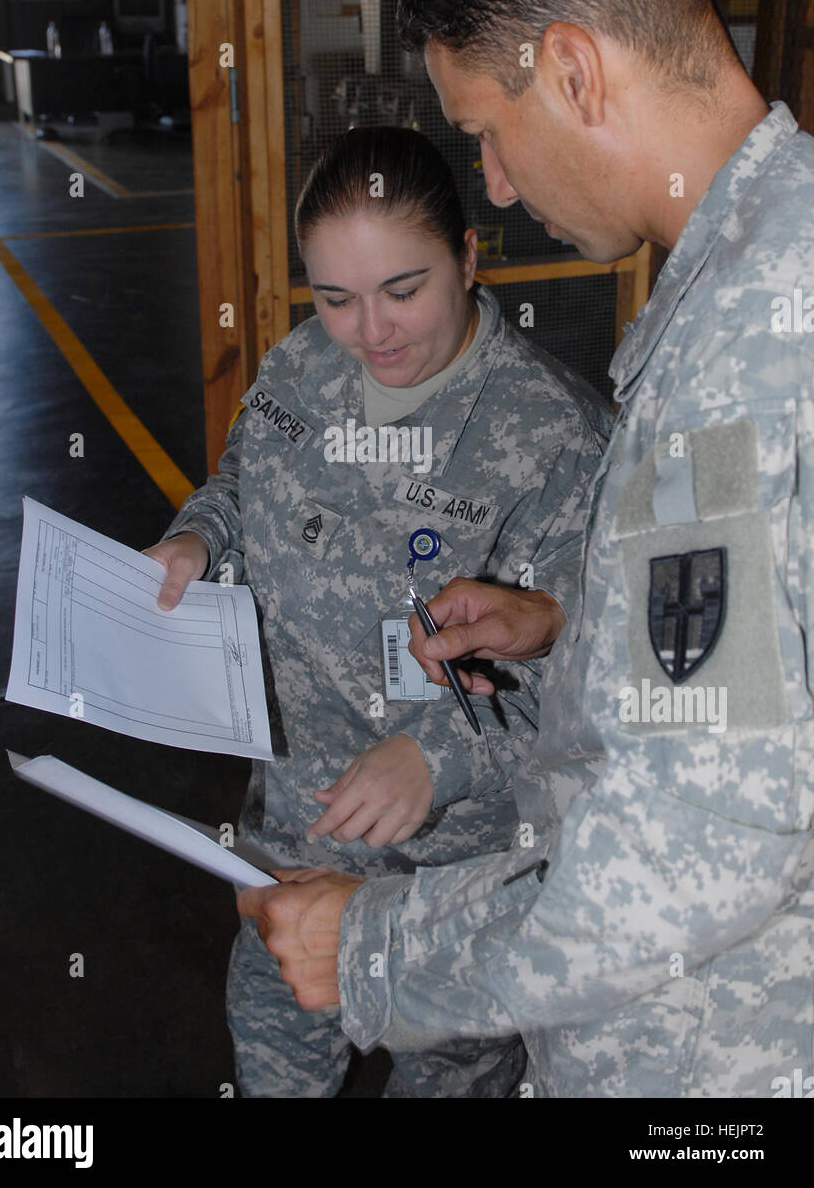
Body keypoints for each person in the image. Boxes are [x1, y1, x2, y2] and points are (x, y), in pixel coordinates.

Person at [239, 0, 814, 1099]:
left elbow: (694, 852)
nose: (491, 185)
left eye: (485, 134)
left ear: (571, 69)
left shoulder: (734, 367)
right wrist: (569, 621)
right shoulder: (774, 266)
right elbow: (755, 674)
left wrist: (375, 944)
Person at [144, 124, 611, 1097]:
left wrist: (433, 755)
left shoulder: (555, 437)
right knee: (271, 1062)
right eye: (337, 297)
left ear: (470, 257)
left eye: (404, 288)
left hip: (455, 872)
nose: (370, 332)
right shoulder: (298, 371)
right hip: (299, 829)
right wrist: (199, 538)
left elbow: (596, 674)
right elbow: (237, 483)